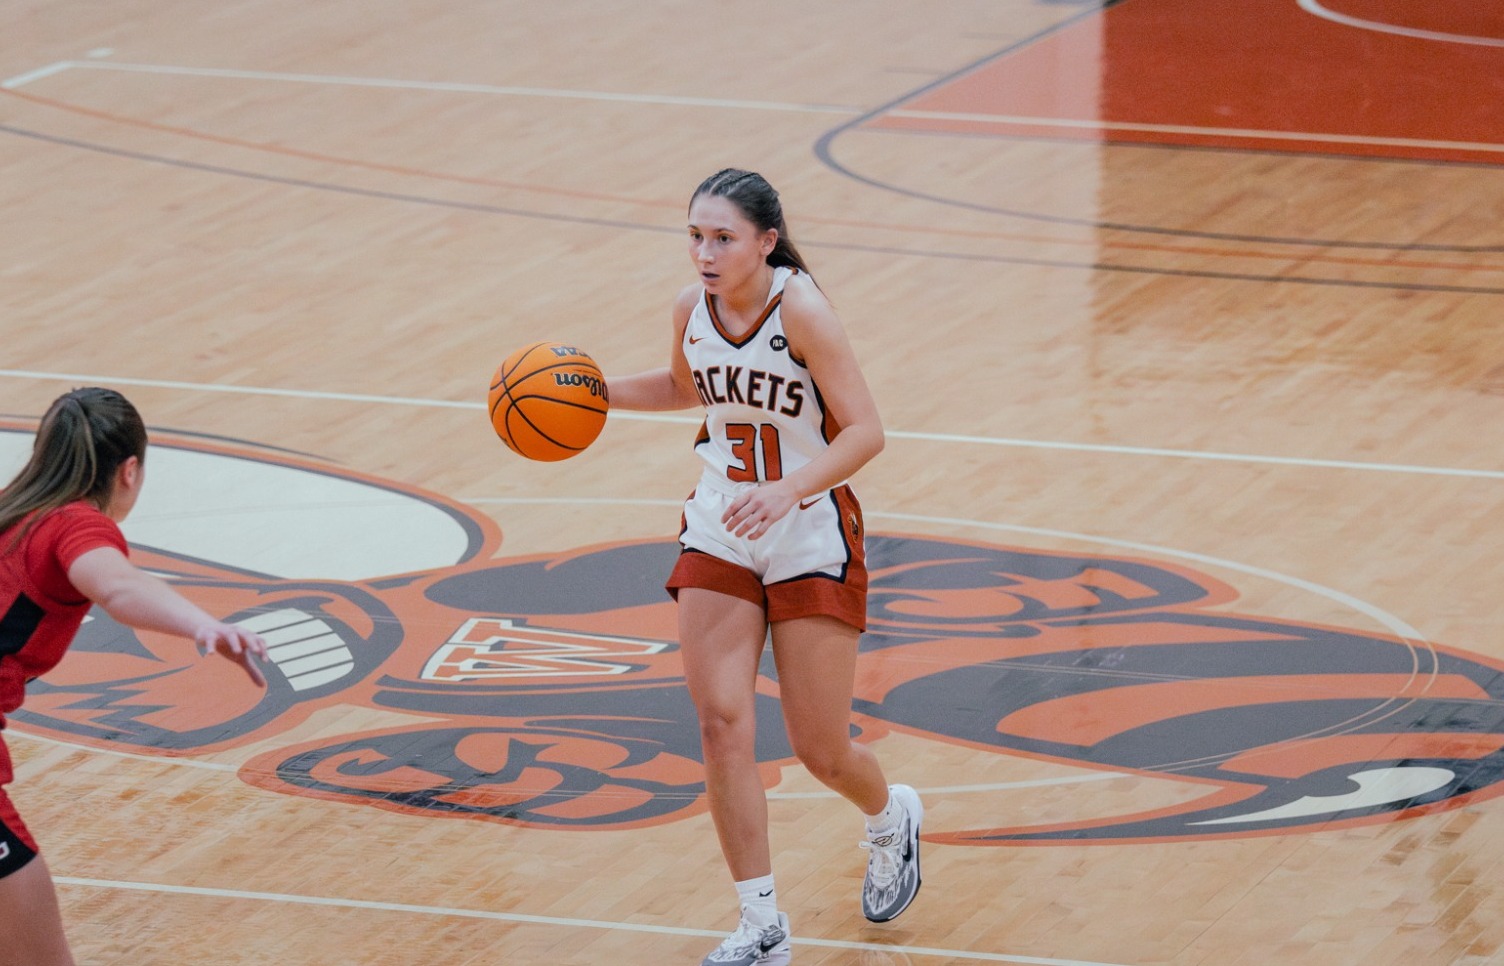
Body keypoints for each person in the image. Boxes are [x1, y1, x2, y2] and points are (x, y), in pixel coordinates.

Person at [608, 169, 922, 965]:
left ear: (765, 242)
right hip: (721, 526)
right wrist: (591, 393)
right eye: (695, 237)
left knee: (820, 750)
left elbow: (866, 431)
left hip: (809, 529)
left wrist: (788, 490)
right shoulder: (692, 308)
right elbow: (685, 388)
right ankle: (761, 925)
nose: (705, 254)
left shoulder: (802, 310)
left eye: (722, 238)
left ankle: (891, 819)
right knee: (720, 724)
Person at [0, 387, 269, 966]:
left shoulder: (9, 513)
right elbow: (119, 585)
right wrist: (204, 626)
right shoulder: (71, 524)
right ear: (129, 470)